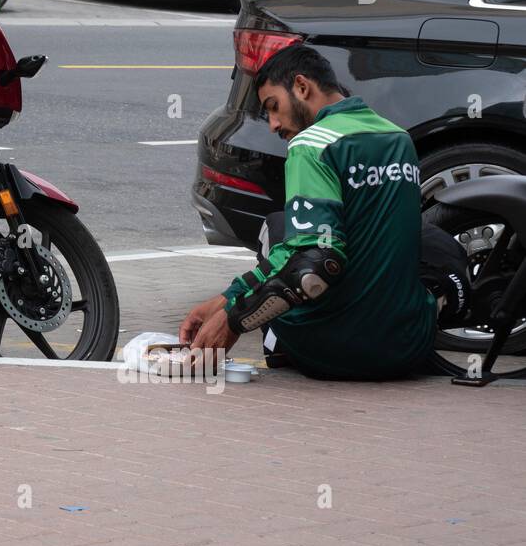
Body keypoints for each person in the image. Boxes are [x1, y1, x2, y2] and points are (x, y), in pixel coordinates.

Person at [179, 45, 468, 380]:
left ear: (302, 87)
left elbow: (313, 267)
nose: (273, 125)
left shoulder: (312, 144)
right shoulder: (397, 137)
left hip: (336, 352)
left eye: (274, 107)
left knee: (277, 230)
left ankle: (279, 350)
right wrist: (225, 300)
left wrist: (233, 322)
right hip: (409, 346)